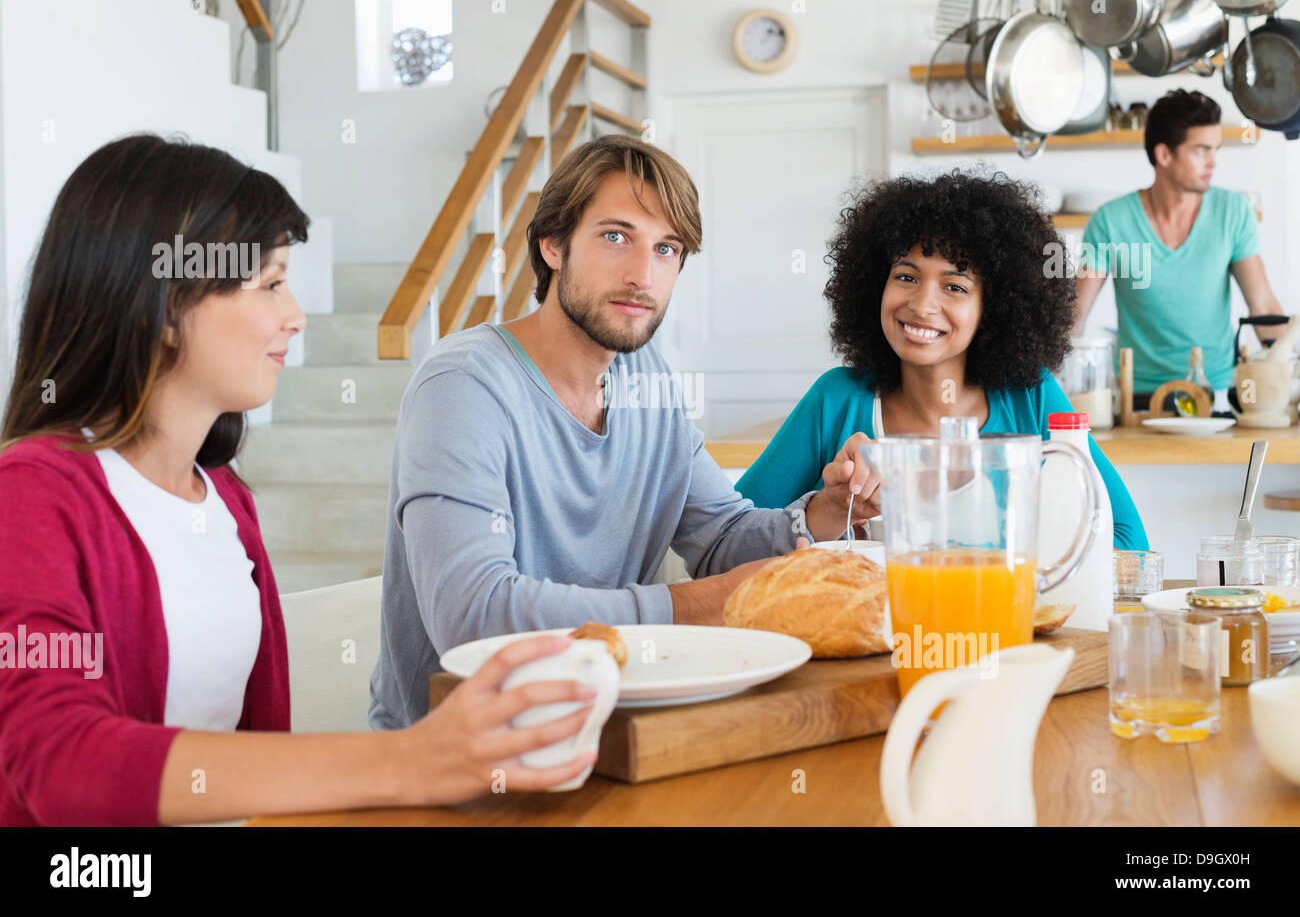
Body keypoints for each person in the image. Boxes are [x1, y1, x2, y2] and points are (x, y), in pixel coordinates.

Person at [0, 134, 605, 826]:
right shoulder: (32, 493)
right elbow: (58, 759)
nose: (295, 316)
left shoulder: (224, 497)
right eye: (269, 284)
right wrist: (406, 761)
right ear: (166, 307)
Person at [369, 135, 857, 729]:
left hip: (616, 725)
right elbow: (473, 617)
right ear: (552, 245)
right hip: (464, 752)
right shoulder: (463, 385)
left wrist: (830, 509)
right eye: (616, 237)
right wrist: (701, 605)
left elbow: (722, 536)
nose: (642, 276)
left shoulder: (645, 376)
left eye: (666, 249)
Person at [736, 170, 1149, 550]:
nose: (922, 304)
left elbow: (1127, 540)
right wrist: (826, 511)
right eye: (906, 277)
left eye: (954, 287)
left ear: (993, 307)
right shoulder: (837, 399)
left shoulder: (1032, 397)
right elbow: (731, 539)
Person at [1071, 89, 1285, 403]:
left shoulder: (1233, 211)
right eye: (1201, 151)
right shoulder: (1110, 221)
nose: (1212, 163)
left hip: (1217, 396)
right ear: (1164, 155)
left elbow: (1263, 307)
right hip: (1138, 399)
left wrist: (1287, 363)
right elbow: (1075, 316)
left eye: (1215, 150)